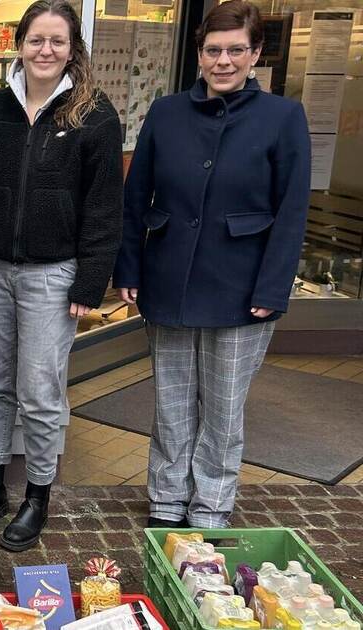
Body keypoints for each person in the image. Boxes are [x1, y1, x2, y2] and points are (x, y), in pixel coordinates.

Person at [113, 0, 310, 529]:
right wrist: (128, 269)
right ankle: (166, 501)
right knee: (172, 405)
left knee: (222, 413)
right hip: (170, 280)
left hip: (242, 286)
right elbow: (136, 197)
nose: (223, 61)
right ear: (199, 53)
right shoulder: (166, 112)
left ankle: (211, 508)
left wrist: (274, 286)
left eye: (235, 51)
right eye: (213, 50)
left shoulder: (282, 117)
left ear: (255, 53)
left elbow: (292, 211)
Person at [0, 0, 123, 552]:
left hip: (55, 274)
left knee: (41, 392)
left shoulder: (94, 115)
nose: (45, 51)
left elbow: (103, 207)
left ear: (73, 49)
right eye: (35, 40)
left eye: (57, 41)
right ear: (18, 44)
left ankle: (38, 495)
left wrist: (91, 280)